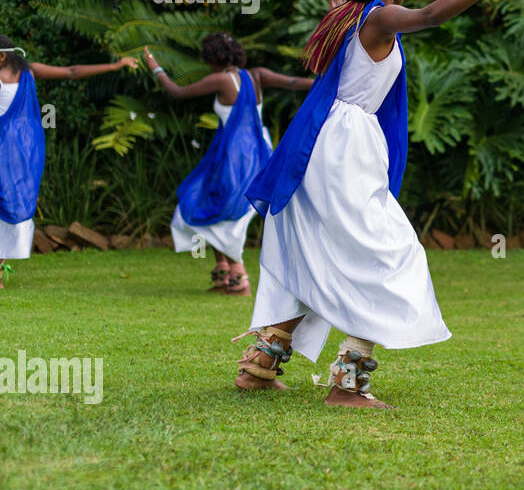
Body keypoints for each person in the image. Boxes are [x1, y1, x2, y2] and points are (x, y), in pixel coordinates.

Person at [233, 0, 515, 408]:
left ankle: (262, 363)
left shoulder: (351, 15)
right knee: (388, 255)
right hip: (342, 151)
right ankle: (347, 381)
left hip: (329, 145)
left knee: (324, 253)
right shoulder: (380, 16)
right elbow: (429, 16)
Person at [141, 33, 312, 295]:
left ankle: (238, 275)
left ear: (212, 59)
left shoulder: (220, 79)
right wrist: (325, 81)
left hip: (235, 159)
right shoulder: (257, 76)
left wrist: (156, 68)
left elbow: (177, 92)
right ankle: (222, 269)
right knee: (213, 204)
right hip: (260, 154)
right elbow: (292, 82)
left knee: (220, 209)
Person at [0, 36, 136, 287]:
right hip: (11, 148)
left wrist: (114, 66)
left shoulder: (29, 72)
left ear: (2, 56)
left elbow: (71, 71)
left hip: (19, 152)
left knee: (13, 204)